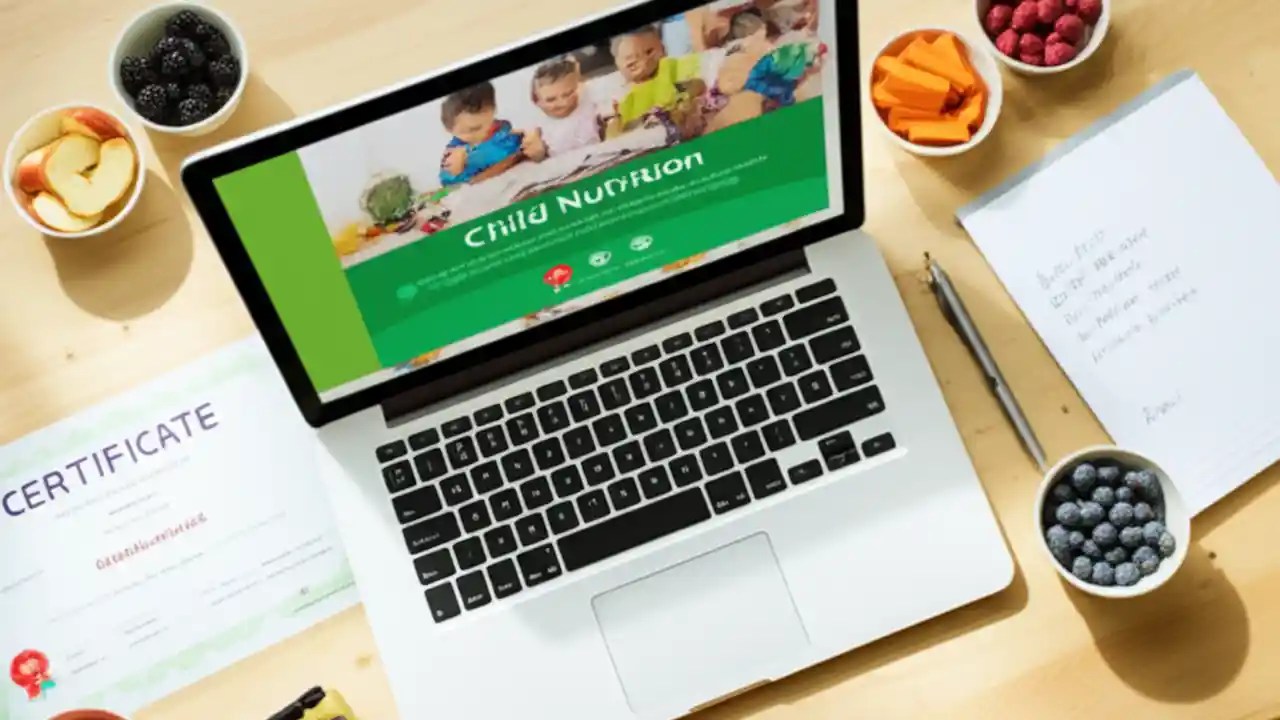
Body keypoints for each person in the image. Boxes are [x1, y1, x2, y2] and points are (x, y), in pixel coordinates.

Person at [606, 25, 710, 141]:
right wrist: (616, 121)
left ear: (663, 48)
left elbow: (700, 83)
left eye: (649, 52)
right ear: (620, 67)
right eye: (632, 63)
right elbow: (616, 136)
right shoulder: (627, 98)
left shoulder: (671, 66)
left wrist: (685, 95)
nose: (645, 62)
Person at [438, 83, 532, 186]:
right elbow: (446, 182)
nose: (475, 135)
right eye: (465, 132)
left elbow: (504, 152)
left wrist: (468, 157)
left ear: (493, 110)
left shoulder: (505, 131)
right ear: (450, 130)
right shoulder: (454, 149)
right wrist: (455, 172)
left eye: (477, 128)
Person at [524, 56, 601, 161]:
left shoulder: (587, 99)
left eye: (568, 94)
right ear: (537, 101)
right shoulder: (538, 126)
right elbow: (536, 155)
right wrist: (538, 154)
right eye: (551, 99)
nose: (563, 103)